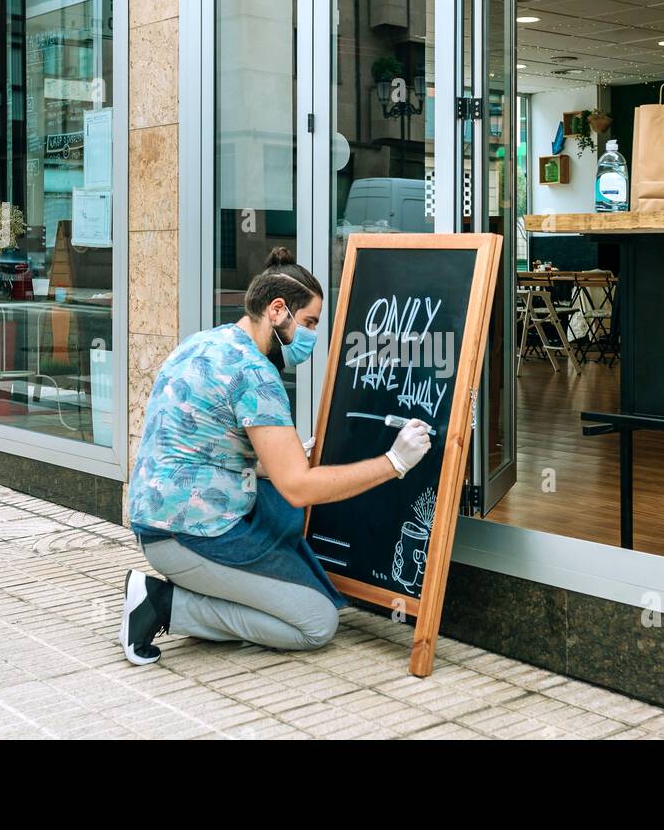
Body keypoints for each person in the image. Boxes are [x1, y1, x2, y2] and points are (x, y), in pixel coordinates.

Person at [120, 248, 434, 664]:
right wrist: (394, 462)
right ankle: (162, 604)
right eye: (308, 323)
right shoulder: (255, 373)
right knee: (316, 622)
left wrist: (283, 455)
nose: (309, 339)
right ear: (277, 309)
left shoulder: (204, 342)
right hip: (191, 536)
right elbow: (299, 489)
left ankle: (190, 593)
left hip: (156, 521)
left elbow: (210, 445)